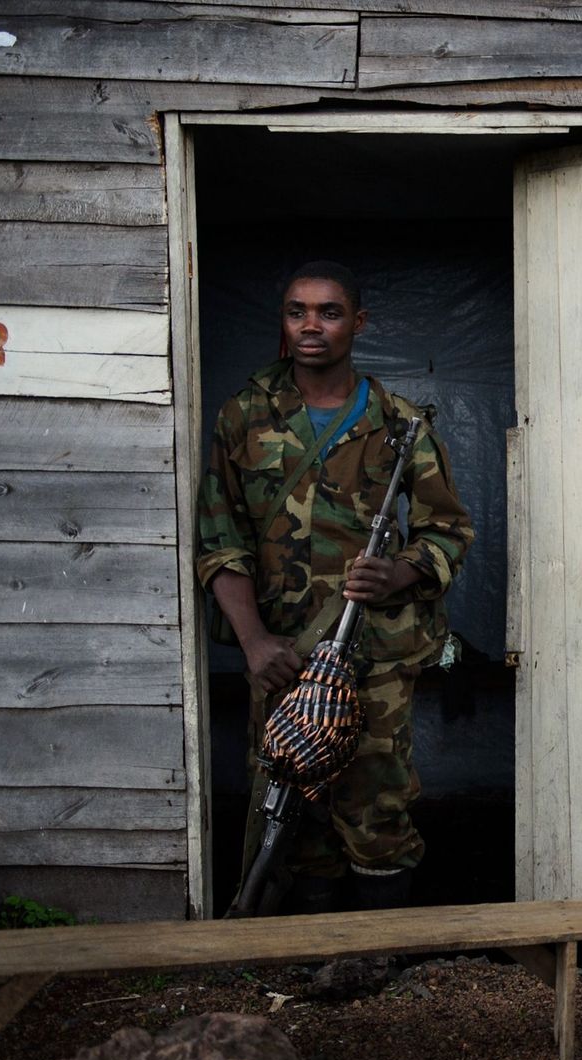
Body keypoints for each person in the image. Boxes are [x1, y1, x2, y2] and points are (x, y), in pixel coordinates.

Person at [197, 260, 474, 913]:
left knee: (377, 808)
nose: (311, 326)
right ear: (284, 322)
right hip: (284, 656)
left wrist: (398, 570)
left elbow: (449, 530)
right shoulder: (244, 417)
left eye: (328, 311)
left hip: (371, 652)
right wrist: (255, 641)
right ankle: (304, 963)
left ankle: (379, 970)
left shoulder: (398, 423)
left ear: (358, 322)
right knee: (291, 813)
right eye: (298, 312)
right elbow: (219, 540)